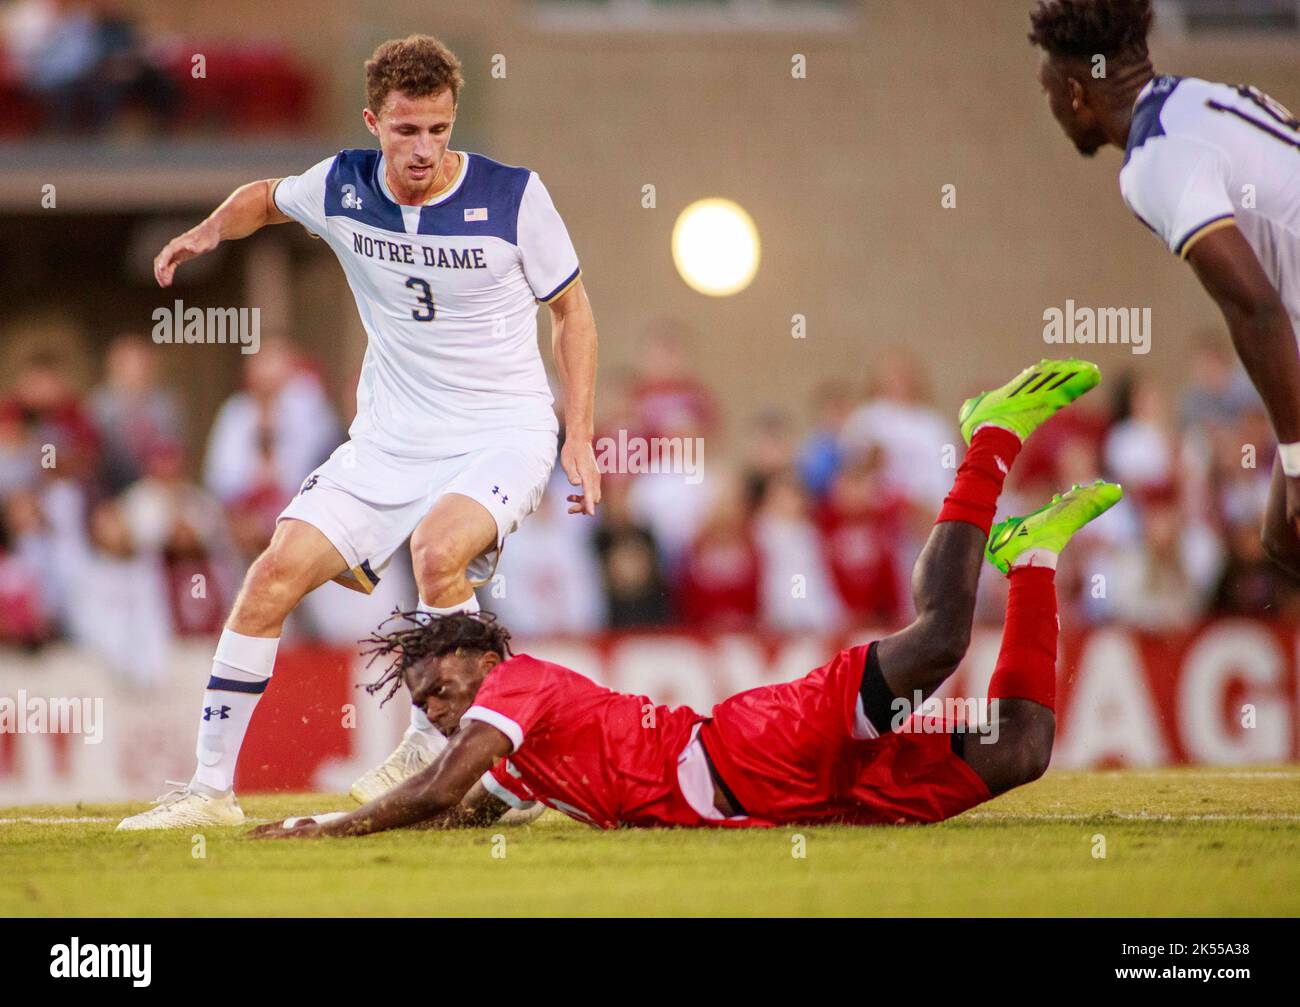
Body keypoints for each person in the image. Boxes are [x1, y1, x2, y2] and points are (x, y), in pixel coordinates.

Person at [251, 360, 1121, 839]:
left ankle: (989, 440)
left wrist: (328, 833)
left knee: (935, 641)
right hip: (791, 805)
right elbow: (463, 807)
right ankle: (1033, 559)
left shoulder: (513, 688)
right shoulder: (508, 755)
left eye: (436, 685)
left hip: (754, 754)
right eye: (423, 704)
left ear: (481, 655)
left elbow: (441, 790)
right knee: (1022, 749)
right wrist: (315, 813)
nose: (433, 708)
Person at [118, 34, 602, 830]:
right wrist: (209, 231)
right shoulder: (339, 185)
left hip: (503, 427)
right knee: (273, 574)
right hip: (389, 436)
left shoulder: (515, 197)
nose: (424, 150)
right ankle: (208, 793)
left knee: (439, 550)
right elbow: (265, 196)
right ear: (374, 121)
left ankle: (436, 744)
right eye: (407, 130)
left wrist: (577, 431)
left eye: (440, 130)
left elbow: (572, 312)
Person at [1028, 0, 1300, 576]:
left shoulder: (1154, 161)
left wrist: (1298, 461)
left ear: (1076, 93)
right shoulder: (1196, 98)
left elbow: (1255, 308)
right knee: (1283, 534)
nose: (1050, 107)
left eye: (1049, 91)